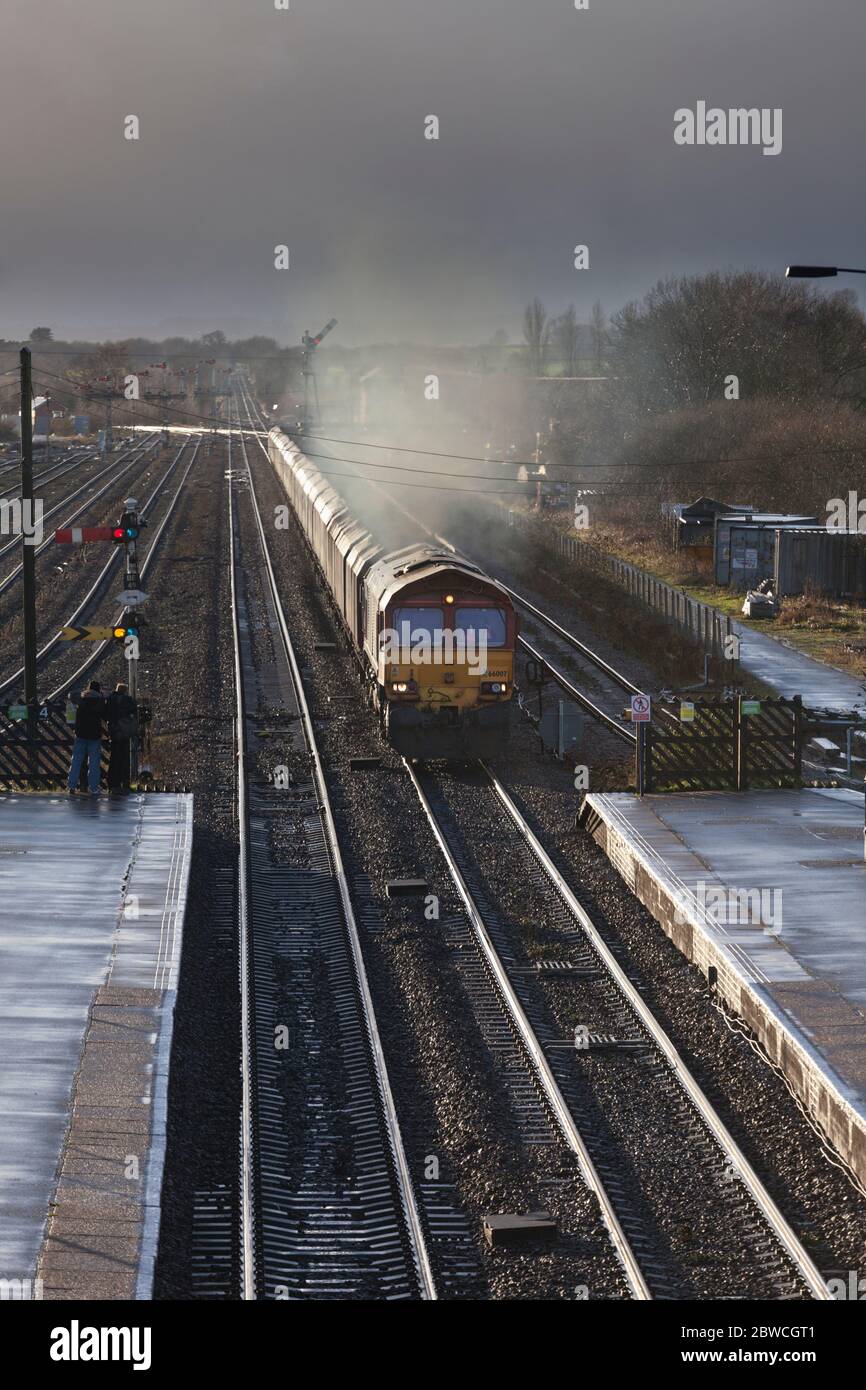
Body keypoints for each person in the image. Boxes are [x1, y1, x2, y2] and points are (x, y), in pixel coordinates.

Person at [67, 680, 105, 795]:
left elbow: (70, 694)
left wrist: (84, 692)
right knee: (94, 763)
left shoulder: (80, 699)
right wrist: (101, 695)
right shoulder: (100, 701)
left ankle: (71, 786)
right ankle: (93, 787)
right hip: (94, 735)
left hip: (81, 733)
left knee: (76, 761)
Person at [105, 681, 137, 792]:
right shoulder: (128, 700)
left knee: (114, 759)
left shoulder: (110, 699)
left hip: (114, 733)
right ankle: (125, 783)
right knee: (124, 759)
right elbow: (134, 711)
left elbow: (106, 714)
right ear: (125, 691)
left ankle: (113, 784)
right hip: (124, 733)